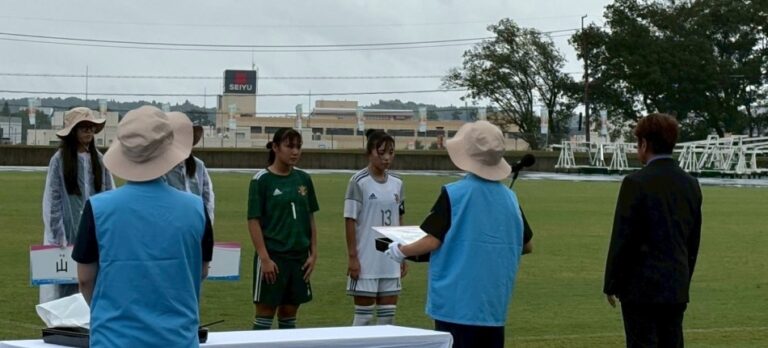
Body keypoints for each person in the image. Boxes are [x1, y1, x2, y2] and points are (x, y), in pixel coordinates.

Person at [72, 105, 214, 347]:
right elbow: (200, 271)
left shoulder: (97, 208)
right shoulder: (196, 208)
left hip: (114, 338)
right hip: (177, 338)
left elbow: (85, 279)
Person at [385, 120, 533, 348]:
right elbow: (526, 244)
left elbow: (432, 240)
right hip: (493, 305)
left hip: (456, 304)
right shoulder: (511, 199)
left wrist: (399, 250)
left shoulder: (455, 194)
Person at [604, 113, 702, 348]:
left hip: (640, 288)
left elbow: (623, 237)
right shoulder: (690, 184)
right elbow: (693, 241)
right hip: (676, 283)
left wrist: (612, 281)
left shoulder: (635, 182)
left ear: (644, 144)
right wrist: (684, 278)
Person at [247, 128, 319, 330]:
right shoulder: (261, 180)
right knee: (264, 316)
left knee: (289, 315)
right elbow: (253, 220)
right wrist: (264, 258)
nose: (295, 151)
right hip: (273, 259)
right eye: (289, 146)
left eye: (298, 146)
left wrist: (313, 253)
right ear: (276, 147)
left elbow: (310, 217)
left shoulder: (304, 179)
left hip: (299, 259)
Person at [40, 107, 113, 304]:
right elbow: (53, 200)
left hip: (95, 233)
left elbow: (108, 195)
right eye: (83, 128)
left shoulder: (99, 160)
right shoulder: (59, 161)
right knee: (67, 292)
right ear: (73, 132)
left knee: (92, 285)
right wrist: (58, 236)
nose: (88, 132)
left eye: (90, 128)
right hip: (67, 235)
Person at [344, 129, 407, 326]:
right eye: (381, 152)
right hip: (366, 260)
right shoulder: (358, 181)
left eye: (391, 152)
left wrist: (403, 252)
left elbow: (400, 217)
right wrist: (353, 257)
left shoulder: (398, 182)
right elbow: (350, 220)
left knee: (387, 319)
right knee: (363, 318)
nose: (387, 158)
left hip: (390, 257)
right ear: (369, 152)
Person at [162, 115, 215, 223]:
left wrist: (206, 225)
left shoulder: (199, 165)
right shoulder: (161, 167)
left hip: (196, 224)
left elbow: (208, 199)